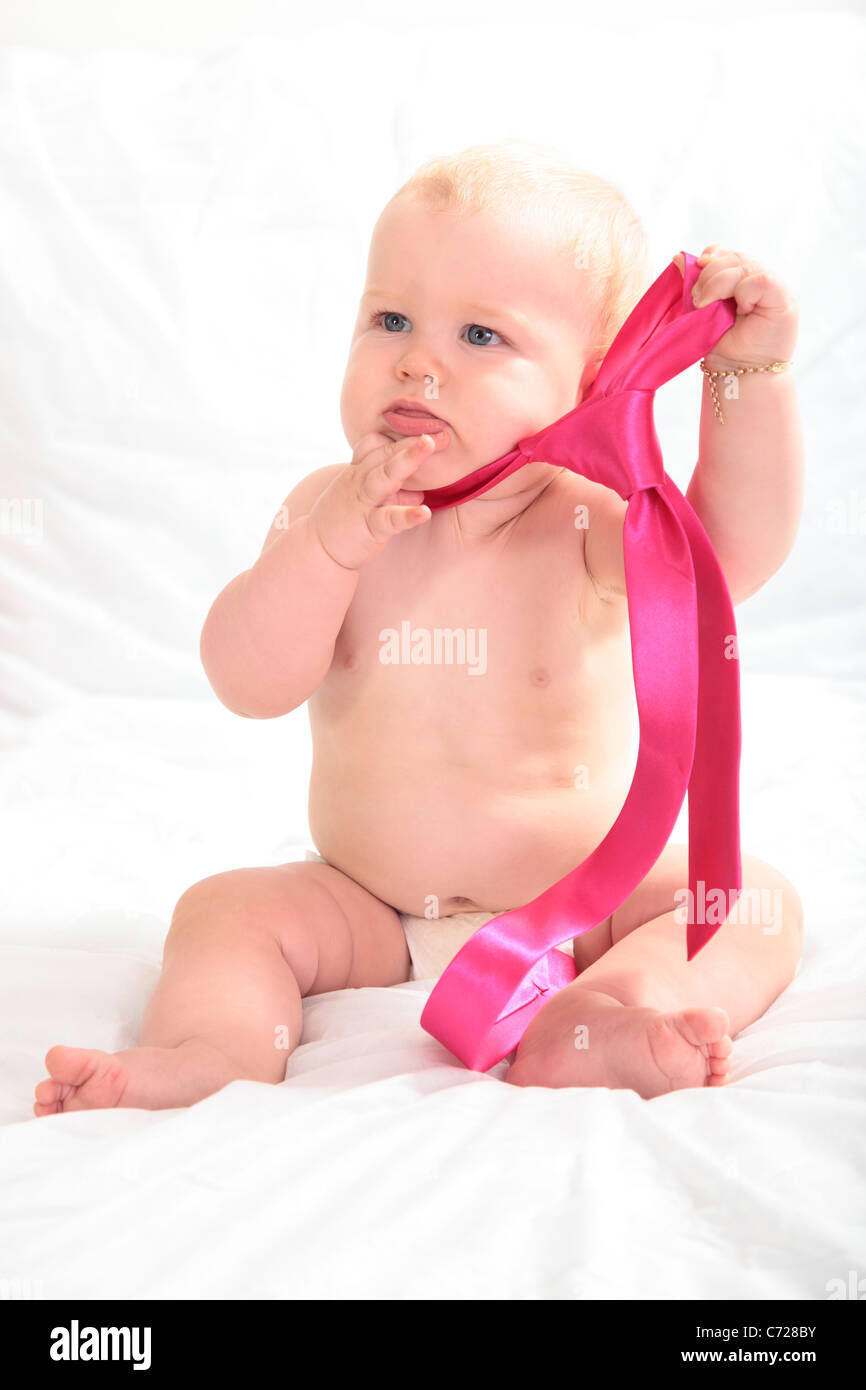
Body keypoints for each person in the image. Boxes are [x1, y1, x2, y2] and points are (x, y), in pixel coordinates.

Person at [34, 141, 803, 1114]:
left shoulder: (587, 520)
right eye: (389, 318)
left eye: (480, 336)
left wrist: (750, 375)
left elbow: (723, 560)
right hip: (367, 899)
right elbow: (246, 679)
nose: (416, 360)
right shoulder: (324, 508)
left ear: (593, 380)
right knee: (223, 910)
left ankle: (608, 1009)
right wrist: (325, 549)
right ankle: (209, 1050)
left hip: (579, 901)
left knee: (739, 898)